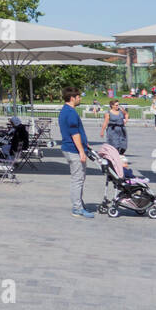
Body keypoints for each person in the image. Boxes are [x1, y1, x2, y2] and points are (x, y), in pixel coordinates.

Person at [58, 87, 93, 218]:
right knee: (78, 179)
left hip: (70, 148)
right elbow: (74, 133)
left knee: (78, 178)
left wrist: (85, 144)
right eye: (79, 96)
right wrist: (81, 152)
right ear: (72, 98)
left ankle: (78, 203)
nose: (80, 98)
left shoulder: (65, 110)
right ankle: (77, 207)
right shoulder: (71, 112)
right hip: (73, 150)